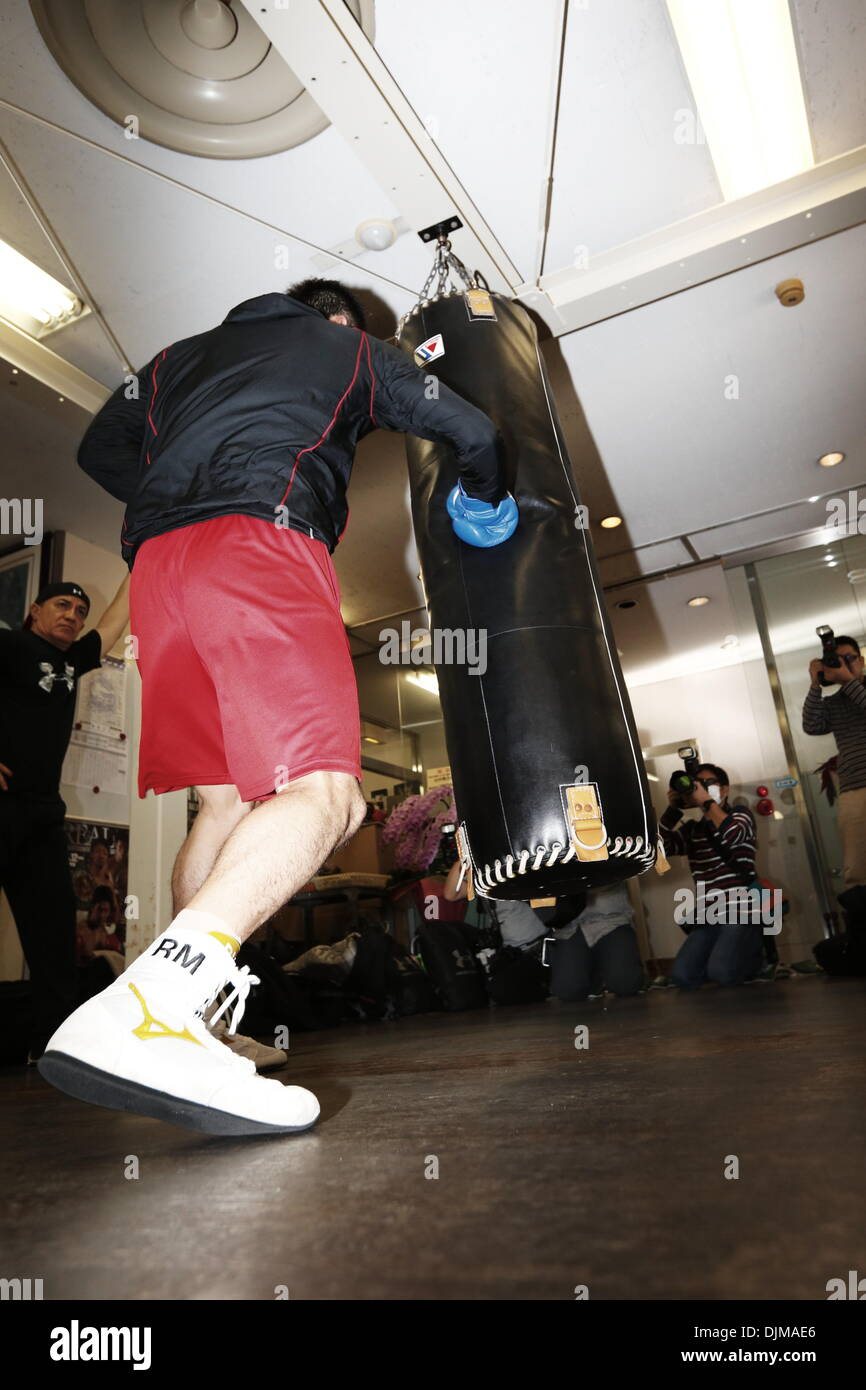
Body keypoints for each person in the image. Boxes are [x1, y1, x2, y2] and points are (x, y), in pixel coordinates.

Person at [39, 278, 515, 1136]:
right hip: (259, 545)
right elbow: (471, 426)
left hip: (159, 574)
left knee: (223, 802)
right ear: (337, 318)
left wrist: (174, 487)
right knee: (327, 797)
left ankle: (192, 1023)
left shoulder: (172, 361)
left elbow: (98, 450)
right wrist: (484, 493)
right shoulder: (348, 348)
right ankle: (150, 1002)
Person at [0, 578, 130, 1061]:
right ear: (34, 611)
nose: (73, 615)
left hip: (41, 817)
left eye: (79, 609)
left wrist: (145, 542)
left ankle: (54, 1050)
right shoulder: (10, 644)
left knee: (53, 937)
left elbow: (116, 617)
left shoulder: (74, 662)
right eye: (62, 605)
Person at [661, 762, 764, 988]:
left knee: (721, 972)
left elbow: (734, 834)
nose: (703, 789)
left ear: (725, 789)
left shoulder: (740, 814)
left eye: (709, 784)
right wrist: (672, 809)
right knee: (682, 977)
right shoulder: (692, 830)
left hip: (742, 912)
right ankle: (727, 957)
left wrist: (706, 802)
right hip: (710, 916)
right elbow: (656, 850)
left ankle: (756, 957)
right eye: (699, 785)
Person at [802, 635, 866, 931]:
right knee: (857, 869)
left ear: (861, 660)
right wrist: (816, 684)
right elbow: (812, 725)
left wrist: (848, 681)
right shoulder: (836, 701)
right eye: (836, 660)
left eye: (849, 658)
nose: (843, 664)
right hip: (853, 790)